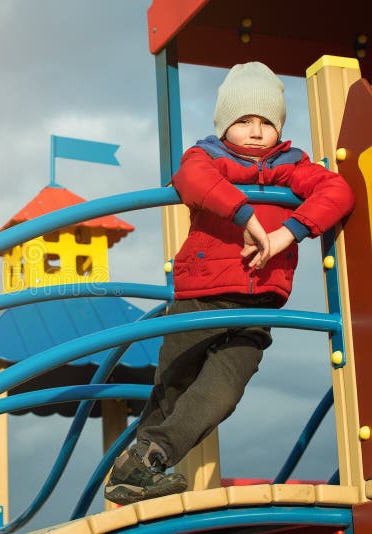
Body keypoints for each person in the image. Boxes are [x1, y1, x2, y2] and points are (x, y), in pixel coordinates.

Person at [104, 61, 355, 505]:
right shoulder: (208, 157)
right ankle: (138, 467)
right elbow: (191, 179)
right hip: (201, 299)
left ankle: (151, 457)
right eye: (243, 121)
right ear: (224, 125)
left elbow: (339, 193)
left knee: (222, 393)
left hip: (256, 312)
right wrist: (246, 214)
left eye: (266, 122)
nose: (256, 132)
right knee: (173, 384)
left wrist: (286, 232)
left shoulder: (292, 167)